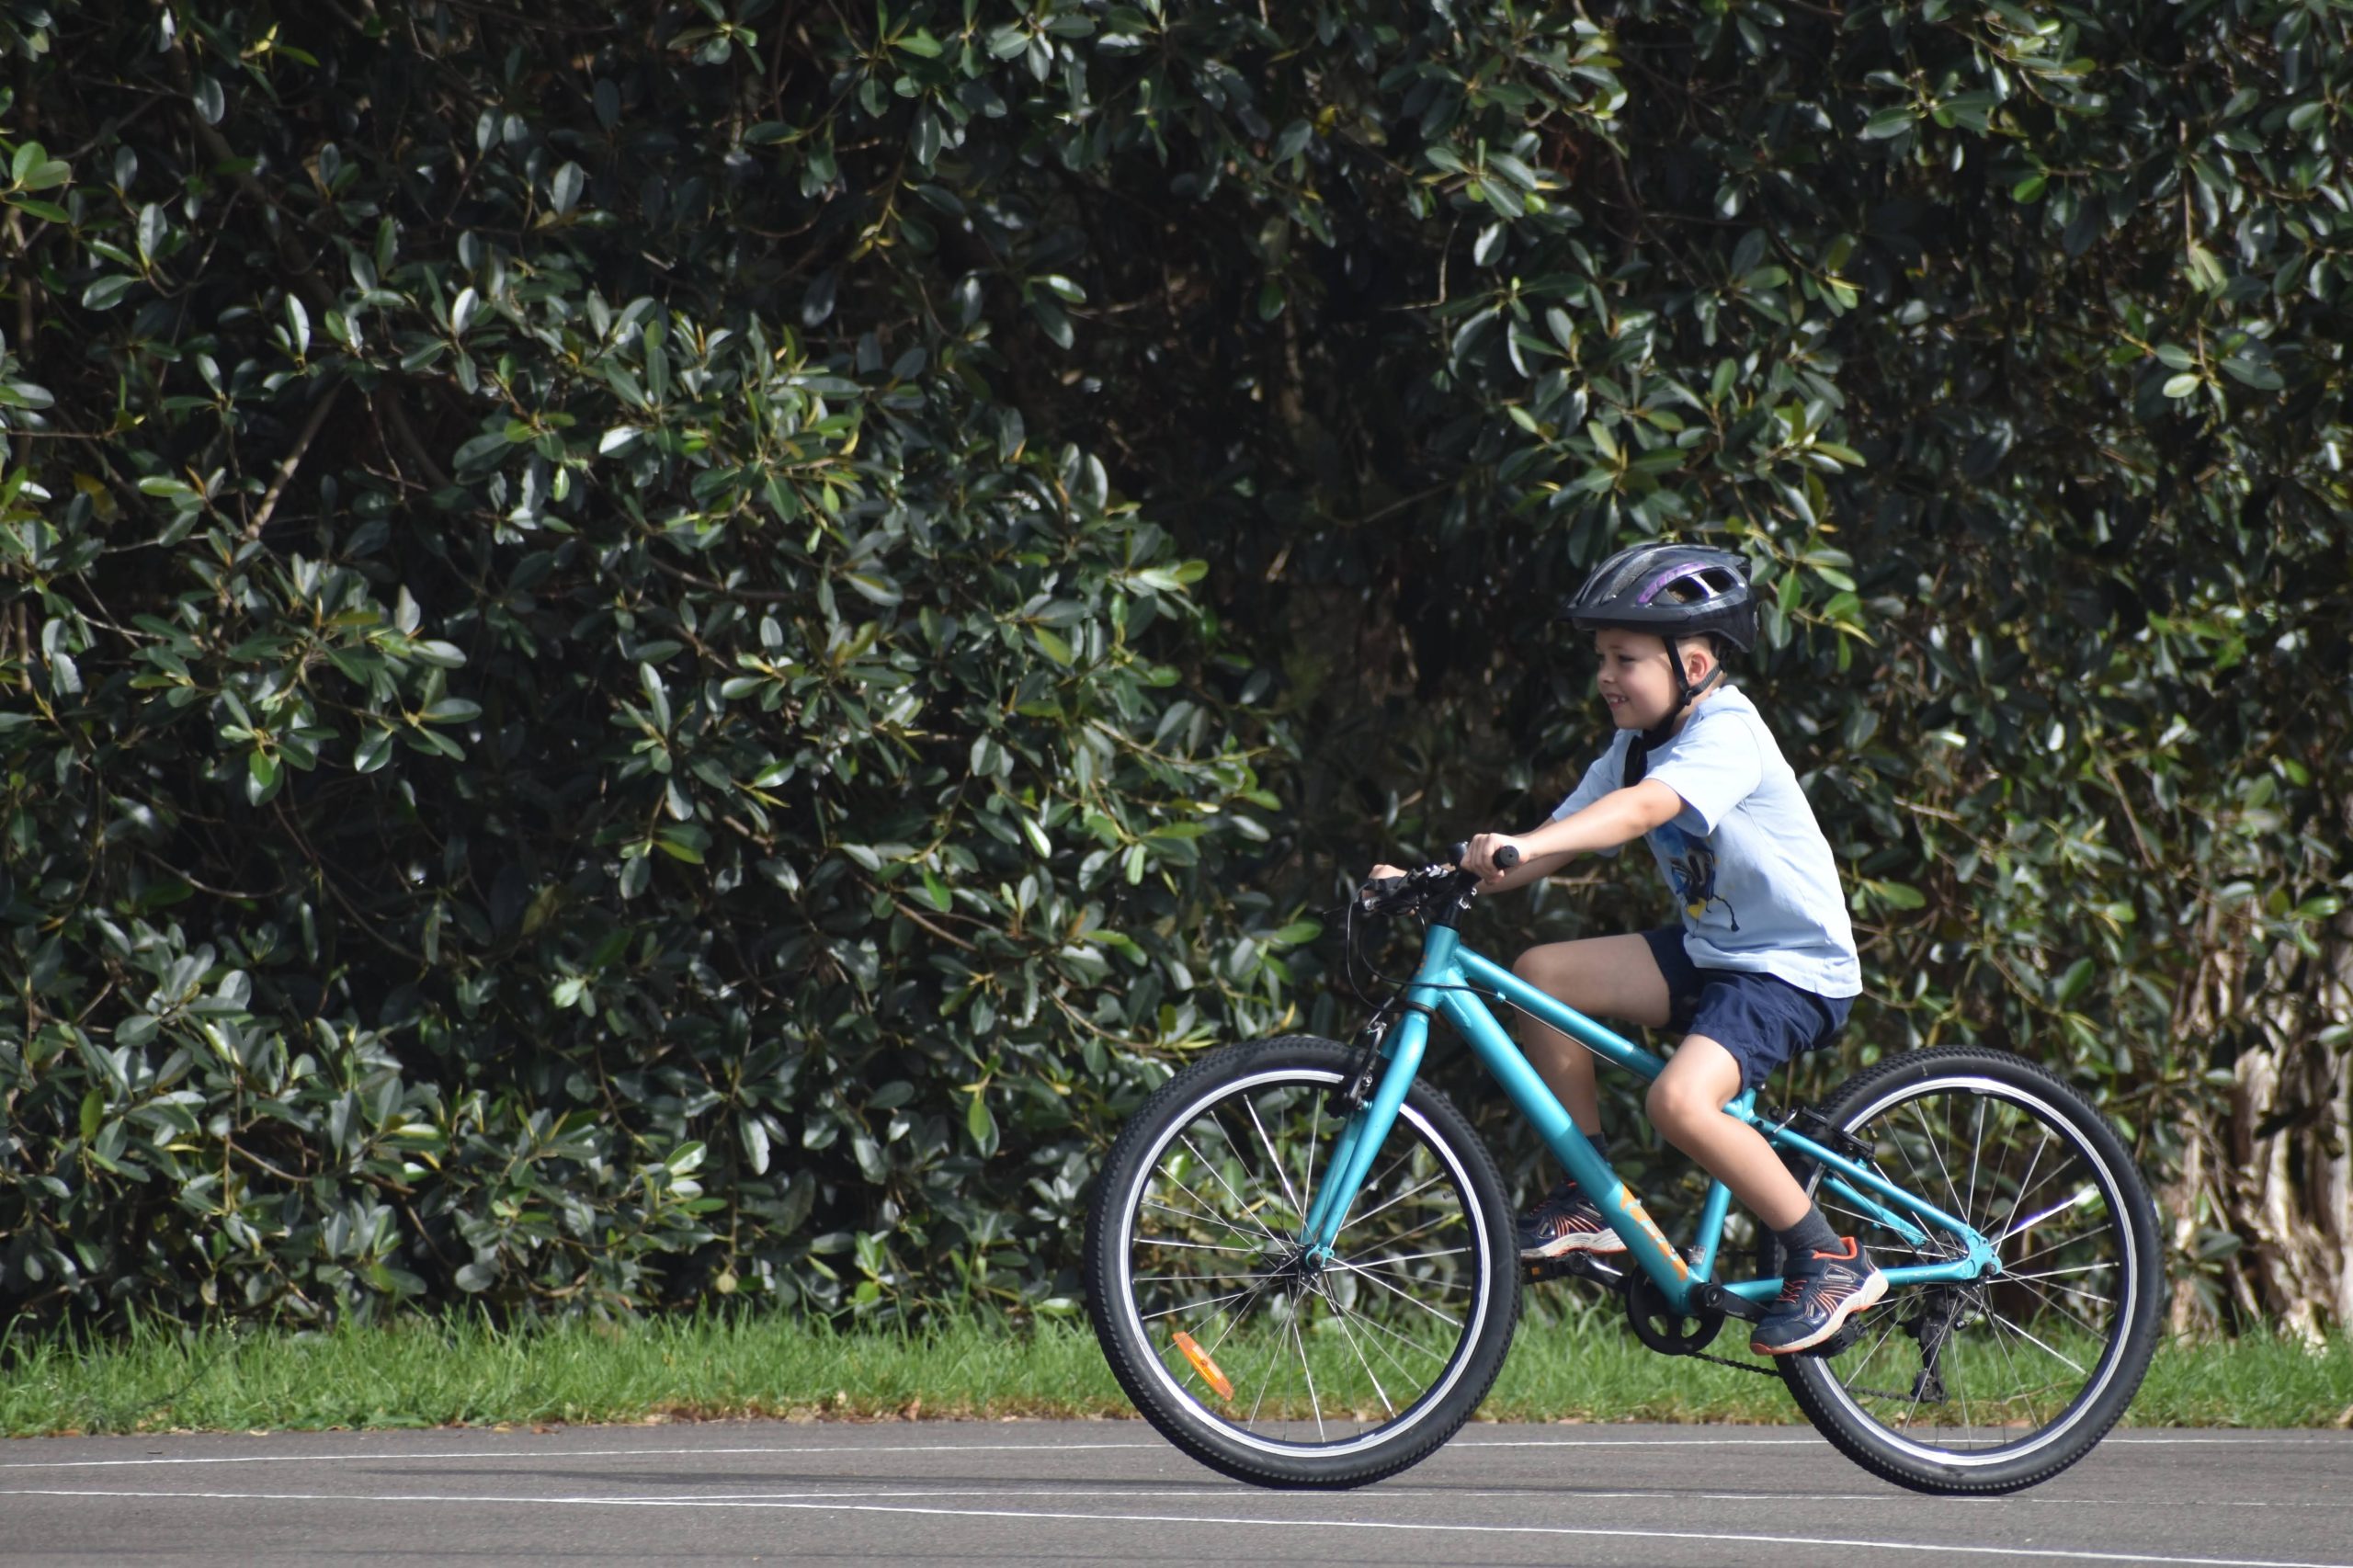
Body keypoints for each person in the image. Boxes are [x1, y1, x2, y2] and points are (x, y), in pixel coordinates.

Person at [1369, 541, 1879, 1356]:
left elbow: (1643, 812)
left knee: (1678, 1104)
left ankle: (1827, 1257)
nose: (1606, 675)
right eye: (1601, 656)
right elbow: (1550, 843)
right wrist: (1432, 875)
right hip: (1712, 953)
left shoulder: (1726, 734)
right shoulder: (1632, 747)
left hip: (1790, 969)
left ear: (1697, 662)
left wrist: (1523, 849)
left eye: (1626, 658)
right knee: (1541, 977)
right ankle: (1591, 1202)